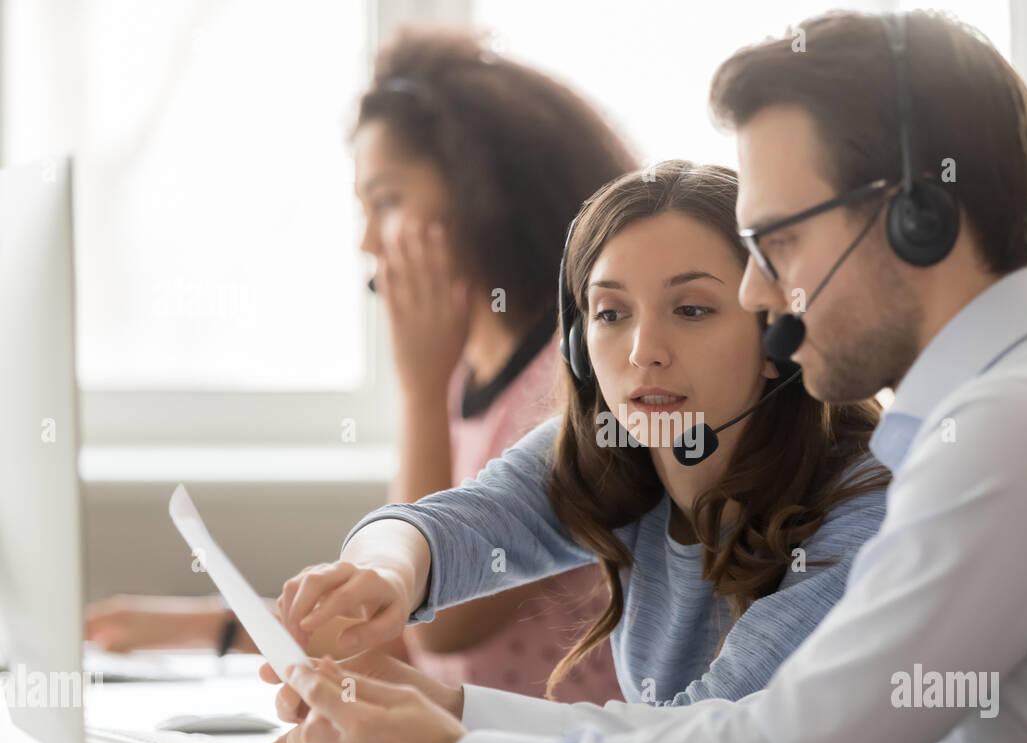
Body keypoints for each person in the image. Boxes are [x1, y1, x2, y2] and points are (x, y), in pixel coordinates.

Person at [254, 9, 1027, 743]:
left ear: (914, 221)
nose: (762, 291)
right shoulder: (1009, 408)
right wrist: (439, 721)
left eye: (779, 241)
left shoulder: (1020, 433)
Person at [242, 159, 948, 743]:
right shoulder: (614, 449)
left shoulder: (868, 510)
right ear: (580, 347)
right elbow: (453, 522)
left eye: (693, 310)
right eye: (610, 314)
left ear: (777, 340)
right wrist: (384, 575)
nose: (644, 352)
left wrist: (445, 733)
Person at [84, 28, 634, 703]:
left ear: (482, 194)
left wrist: (419, 391)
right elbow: (397, 612)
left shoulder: (571, 378)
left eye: (389, 201)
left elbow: (443, 626)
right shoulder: (469, 376)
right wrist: (209, 628)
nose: (369, 241)